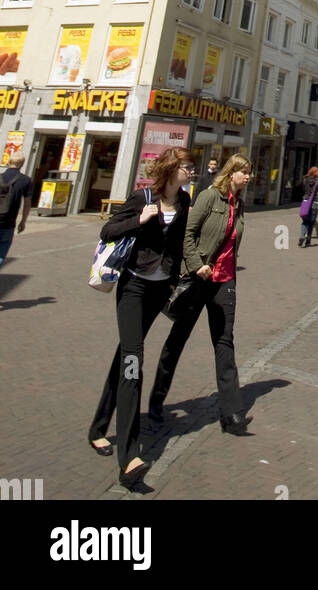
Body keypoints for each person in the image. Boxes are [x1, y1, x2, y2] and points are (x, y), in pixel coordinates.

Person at [88, 147, 195, 486]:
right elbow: (108, 231)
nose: (191, 172)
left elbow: (177, 244)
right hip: (133, 289)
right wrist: (141, 220)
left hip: (159, 290)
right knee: (134, 363)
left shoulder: (185, 202)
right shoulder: (142, 198)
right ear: (170, 169)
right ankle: (130, 457)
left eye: (192, 167)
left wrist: (180, 281)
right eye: (186, 166)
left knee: (125, 354)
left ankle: (98, 428)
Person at [148, 154, 252, 435]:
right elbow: (187, 234)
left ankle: (232, 413)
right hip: (198, 279)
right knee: (177, 340)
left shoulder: (240, 204)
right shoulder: (208, 198)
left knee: (224, 341)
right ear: (231, 173)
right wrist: (196, 266)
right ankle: (156, 401)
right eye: (244, 172)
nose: (248, 177)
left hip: (225, 281)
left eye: (249, 173)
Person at [0, 150, 32, 266]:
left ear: (9, 162)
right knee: (1, 254)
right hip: (9, 222)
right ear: (22, 164)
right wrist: (23, 222)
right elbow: (27, 204)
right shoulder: (26, 180)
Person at [298, 166, 318, 247]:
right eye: (317, 171)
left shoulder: (305, 179)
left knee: (305, 220)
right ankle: (308, 241)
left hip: (306, 201)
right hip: (314, 202)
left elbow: (303, 189)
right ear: (315, 172)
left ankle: (302, 235)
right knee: (311, 222)